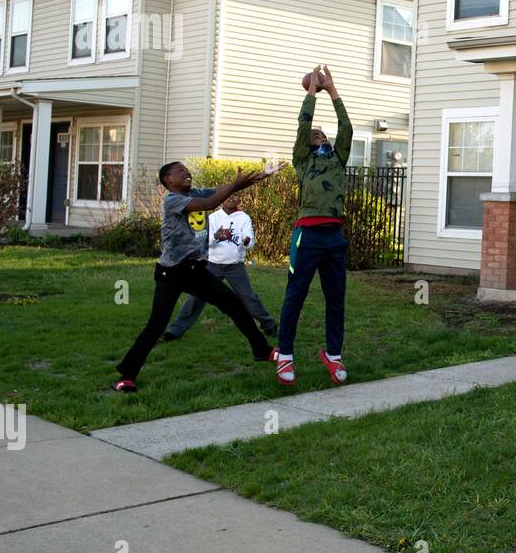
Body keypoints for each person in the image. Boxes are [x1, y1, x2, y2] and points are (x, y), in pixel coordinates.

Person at [112, 162, 276, 392]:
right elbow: (210, 203)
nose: (187, 172)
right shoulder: (173, 200)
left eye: (187, 170)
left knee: (234, 305)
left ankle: (262, 350)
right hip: (171, 273)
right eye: (180, 171)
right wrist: (235, 186)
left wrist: (243, 183)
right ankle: (127, 374)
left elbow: (217, 191)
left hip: (195, 270)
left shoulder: (192, 193)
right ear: (169, 180)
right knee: (156, 326)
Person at [275, 64, 351, 387]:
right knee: (296, 295)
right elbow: (303, 123)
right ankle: (285, 355)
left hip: (334, 236)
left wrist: (331, 89)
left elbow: (345, 125)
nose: (318, 135)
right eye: (313, 135)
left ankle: (333, 355)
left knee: (336, 298)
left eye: (322, 134)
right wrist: (311, 91)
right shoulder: (302, 160)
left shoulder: (337, 159)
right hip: (307, 235)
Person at [161, 192, 278, 342]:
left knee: (248, 298)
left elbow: (250, 243)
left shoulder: (244, 217)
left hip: (235, 267)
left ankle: (269, 324)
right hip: (212, 265)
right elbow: (203, 243)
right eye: (228, 195)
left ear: (239, 199)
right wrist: (216, 236)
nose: (231, 198)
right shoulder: (213, 217)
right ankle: (174, 332)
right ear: (222, 198)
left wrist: (247, 241)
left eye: (235, 195)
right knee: (195, 298)